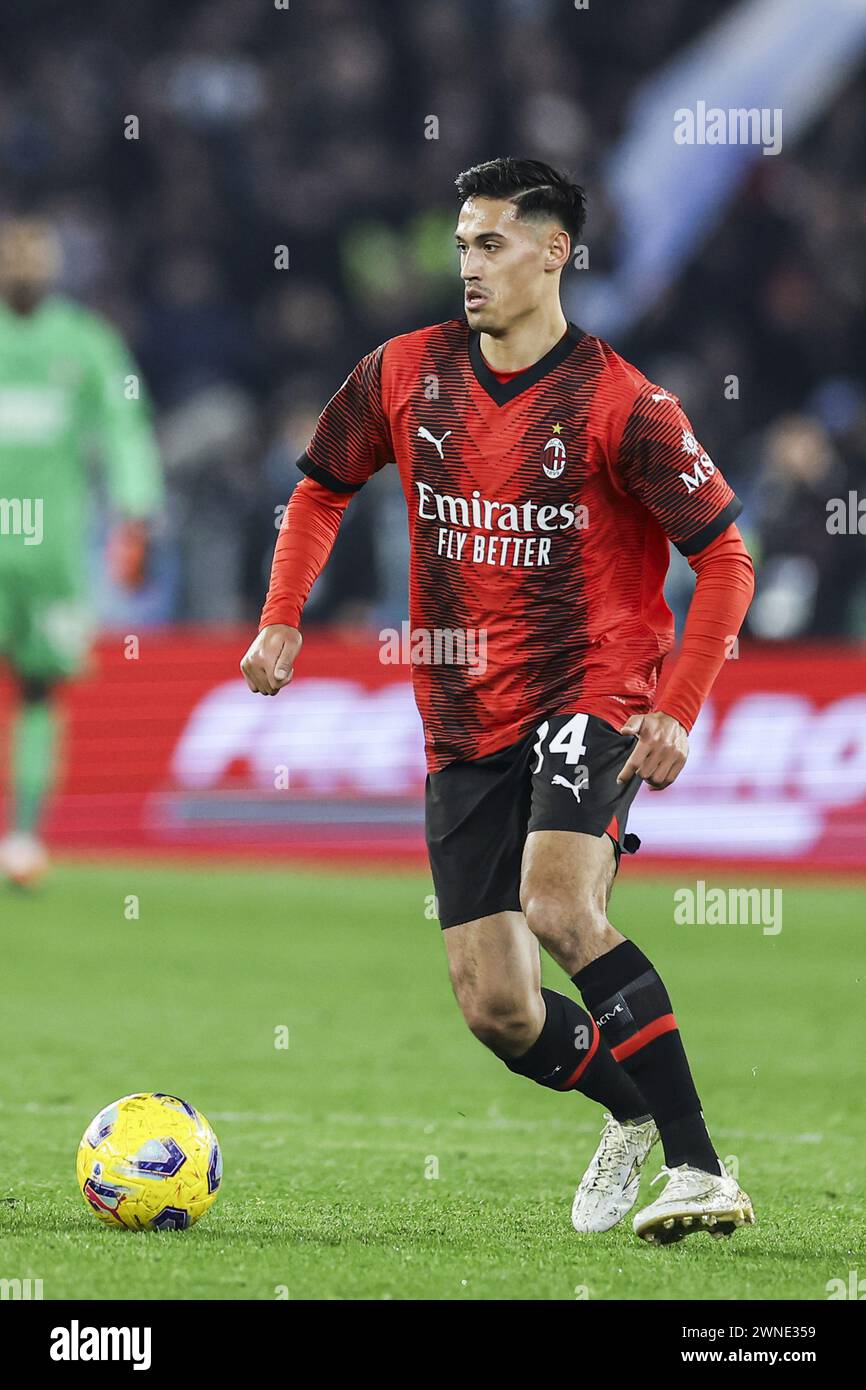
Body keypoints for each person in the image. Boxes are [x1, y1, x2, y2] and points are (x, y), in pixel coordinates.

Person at [241, 159, 756, 1245]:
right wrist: (283, 613)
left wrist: (676, 705)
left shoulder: (623, 403)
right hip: (463, 711)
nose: (466, 266)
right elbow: (321, 486)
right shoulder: (402, 372)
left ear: (553, 252)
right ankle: (624, 1110)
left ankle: (700, 1166)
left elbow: (724, 556)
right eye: (460, 245)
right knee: (497, 1007)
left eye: (490, 245)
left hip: (591, 690)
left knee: (561, 904)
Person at [0, 218, 164, 885]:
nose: (26, 262)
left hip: (52, 554)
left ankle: (24, 837)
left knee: (39, 691)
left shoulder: (85, 343)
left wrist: (136, 509)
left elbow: (125, 428)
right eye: (16, 251)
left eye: (38, 252)